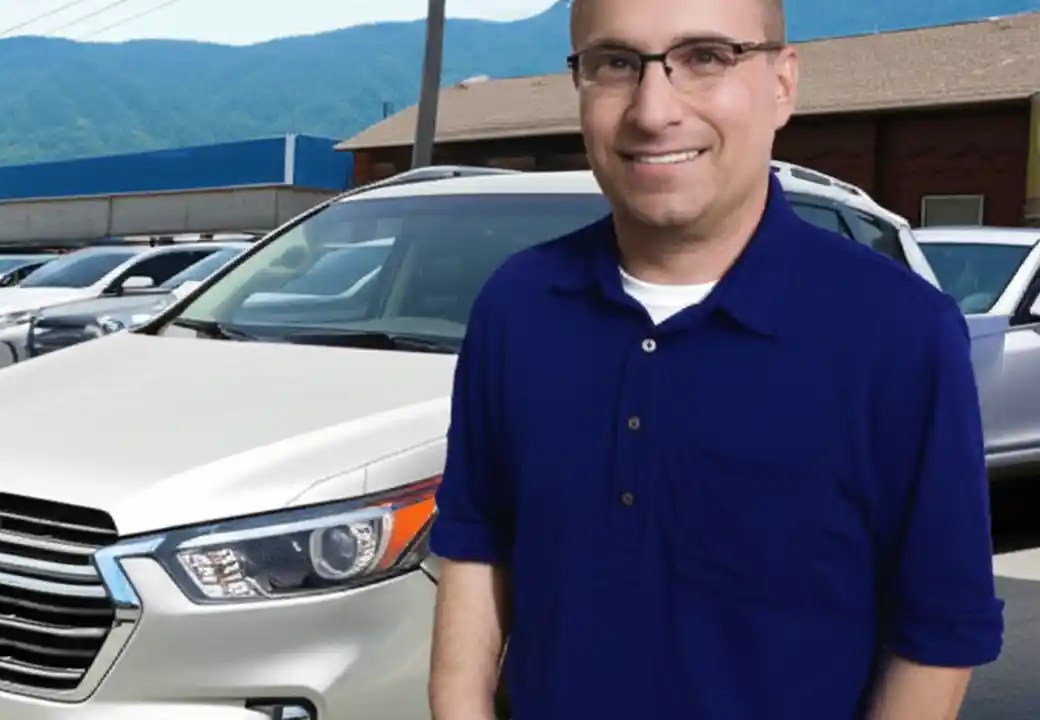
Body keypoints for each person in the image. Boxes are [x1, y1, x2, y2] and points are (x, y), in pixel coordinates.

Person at [426, 0, 1006, 718]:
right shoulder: (517, 306)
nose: (652, 109)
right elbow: (477, 547)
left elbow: (939, 634)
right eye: (615, 64)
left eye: (704, 57)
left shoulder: (900, 332)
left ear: (783, 83)